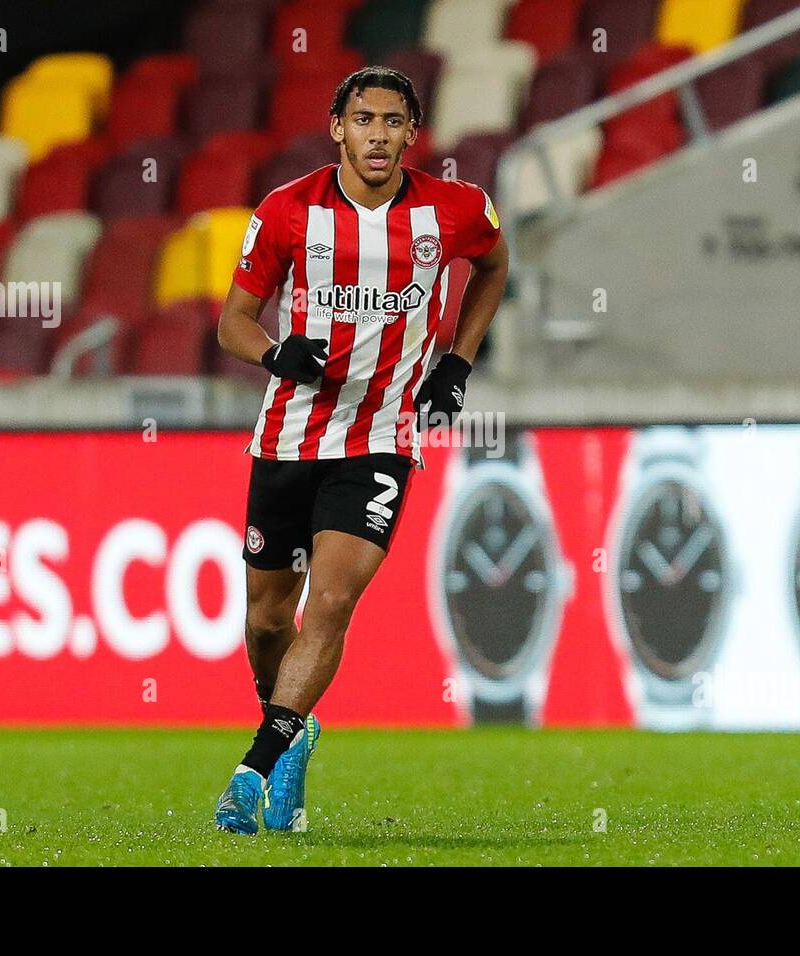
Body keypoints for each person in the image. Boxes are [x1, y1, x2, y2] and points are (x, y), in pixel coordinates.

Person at [212, 66, 510, 834]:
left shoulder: (456, 211)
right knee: (266, 621)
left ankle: (254, 768)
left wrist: (456, 363)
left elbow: (495, 266)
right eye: (364, 119)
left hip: (381, 437)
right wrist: (277, 355)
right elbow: (233, 321)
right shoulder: (286, 213)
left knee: (333, 601)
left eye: (393, 121)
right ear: (337, 128)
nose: (378, 135)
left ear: (414, 134)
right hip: (288, 434)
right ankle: (294, 730)